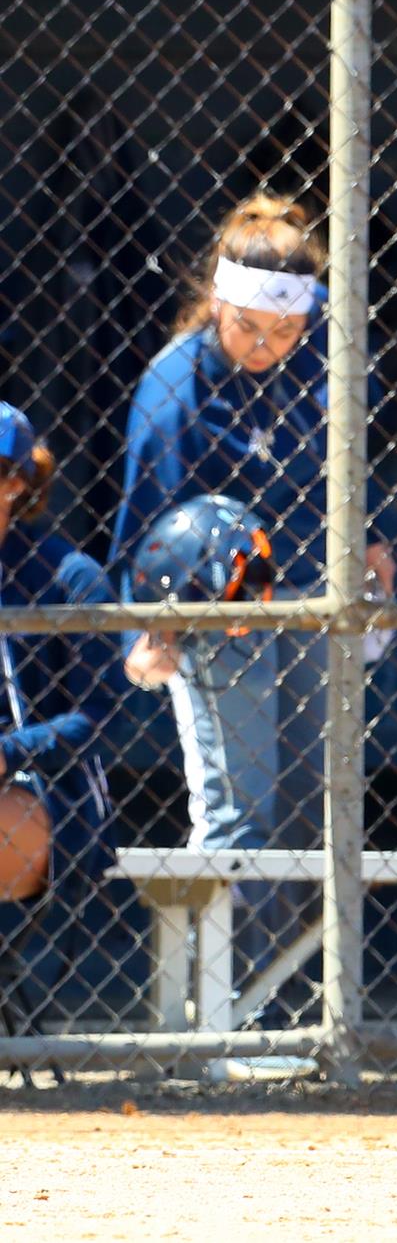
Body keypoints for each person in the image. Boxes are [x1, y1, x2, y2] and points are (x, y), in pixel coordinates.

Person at [113, 196, 396, 1047]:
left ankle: (280, 1004)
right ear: (218, 305)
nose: (266, 347)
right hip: (221, 614)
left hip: (315, 598)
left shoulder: (332, 365)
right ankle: (222, 1014)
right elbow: (145, 522)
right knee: (241, 805)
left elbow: (360, 474)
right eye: (247, 329)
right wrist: (146, 627)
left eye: (283, 331)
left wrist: (376, 549)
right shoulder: (175, 384)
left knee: (315, 804)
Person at [0, 404, 118, 1055]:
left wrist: (10, 749)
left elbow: (96, 716)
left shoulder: (68, 575)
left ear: (17, 482)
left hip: (53, 793)